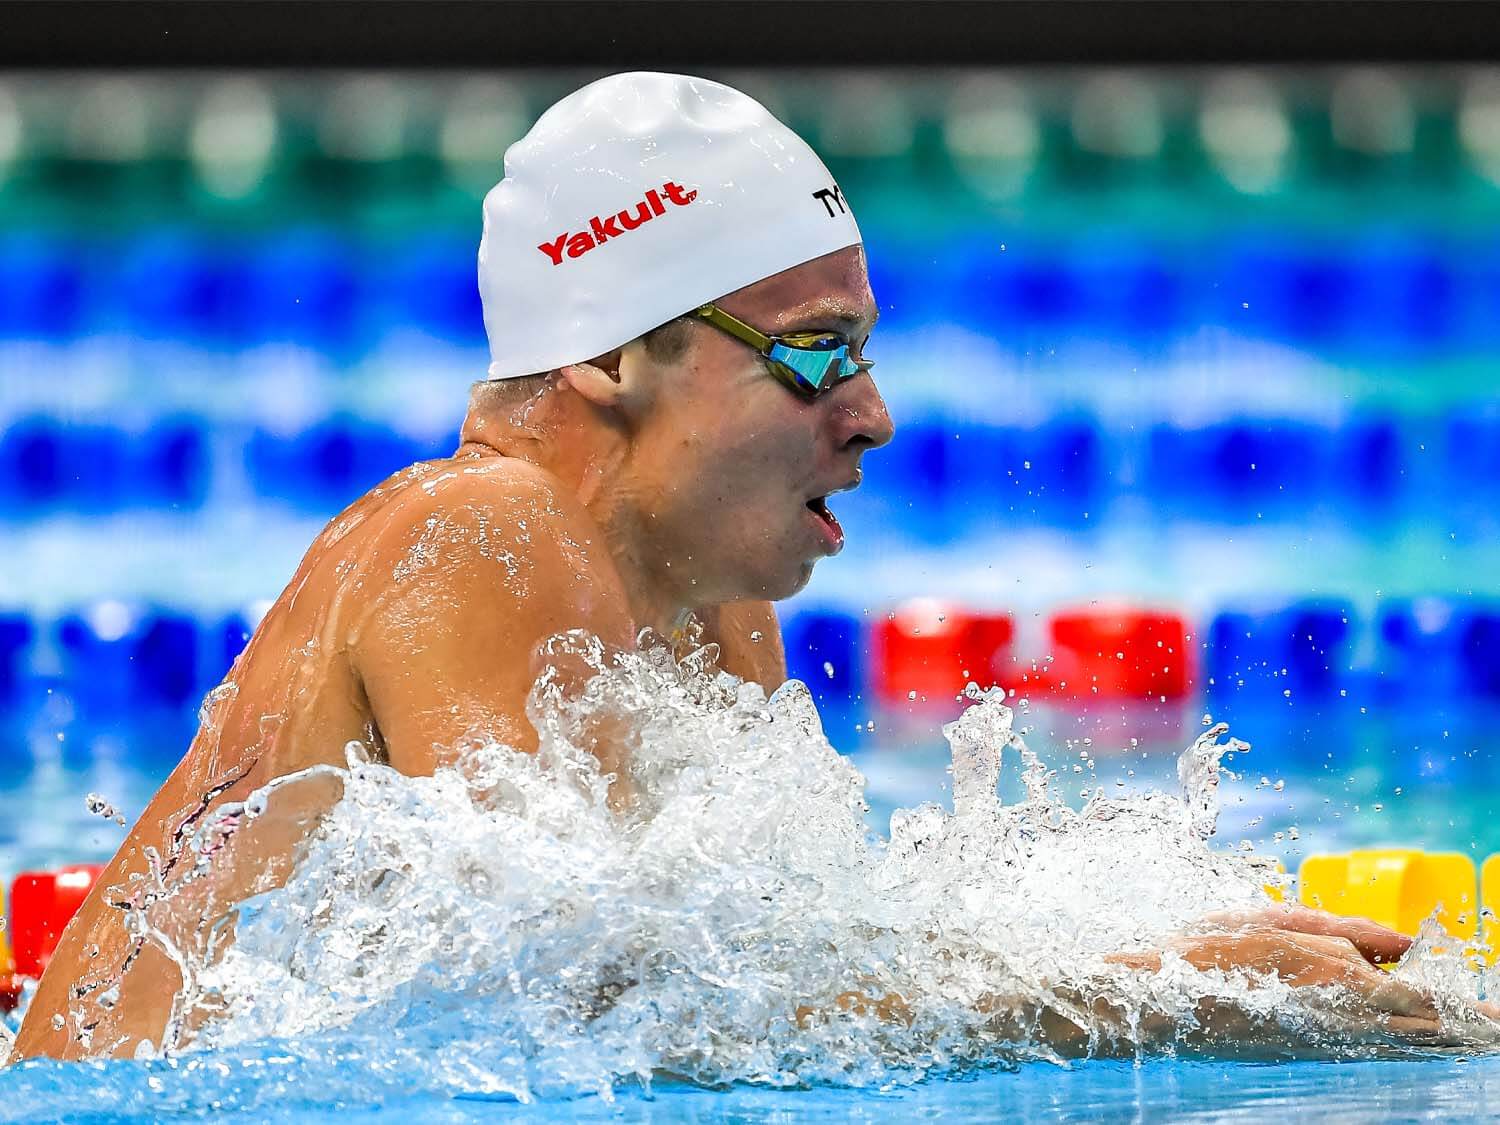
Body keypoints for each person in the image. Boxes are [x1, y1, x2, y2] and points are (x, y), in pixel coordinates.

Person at [8, 72, 1482, 1063]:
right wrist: (1139, 1000)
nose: (875, 415)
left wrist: (1169, 941)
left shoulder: (702, 599)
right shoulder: (475, 533)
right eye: (815, 355)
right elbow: (598, 1010)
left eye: (869, 349)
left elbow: (763, 970)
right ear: (607, 358)